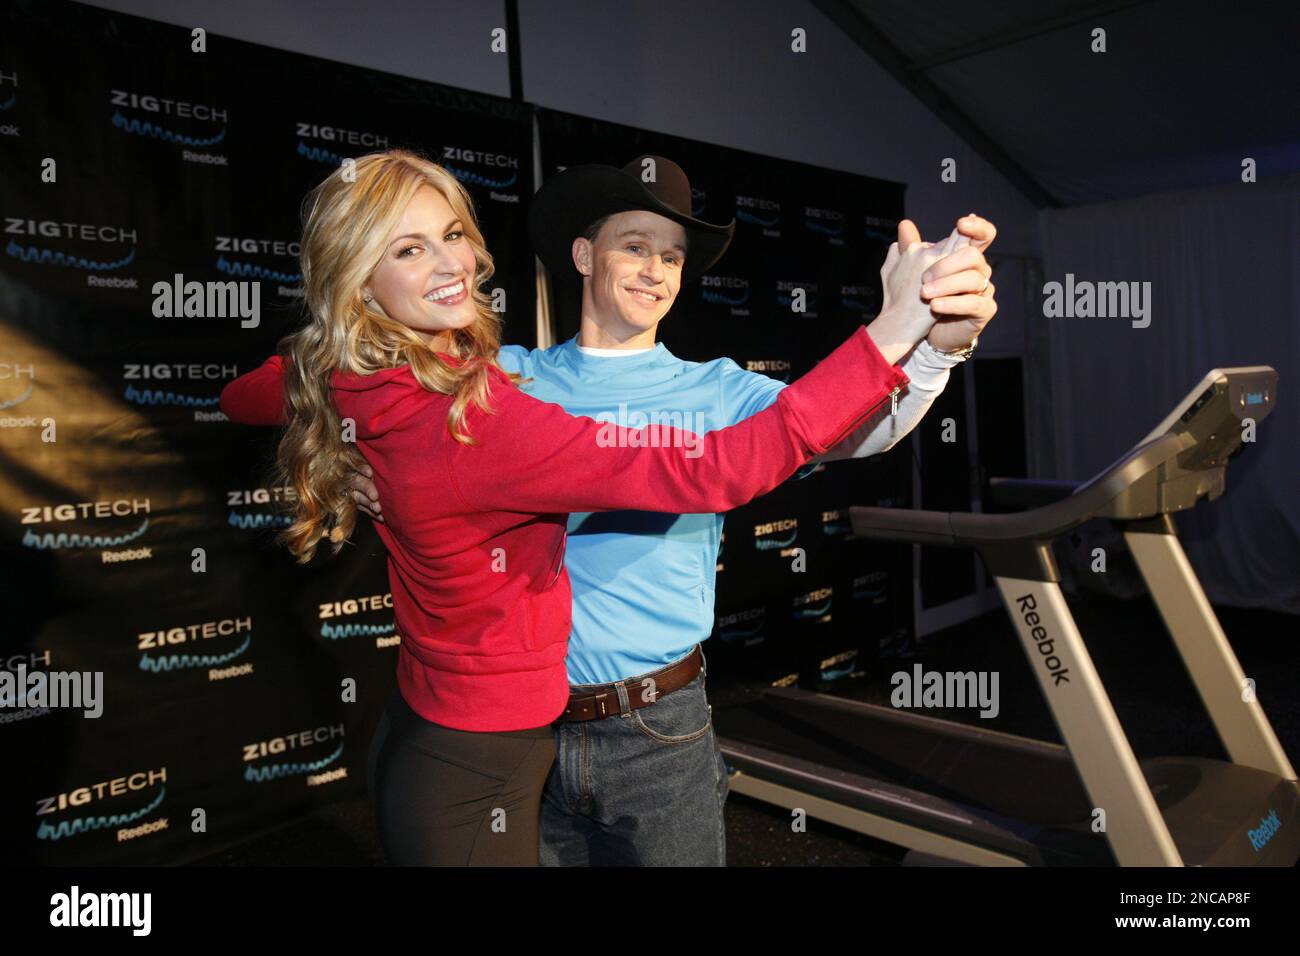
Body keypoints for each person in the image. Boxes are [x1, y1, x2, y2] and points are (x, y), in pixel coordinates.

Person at [219, 149, 958, 866]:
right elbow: (310, 383)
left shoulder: (719, 391)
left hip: (654, 732)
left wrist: (929, 352)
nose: (654, 269)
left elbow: (854, 432)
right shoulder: (495, 382)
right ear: (582, 256)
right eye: (634, 245)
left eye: (671, 257)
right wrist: (347, 452)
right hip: (527, 735)